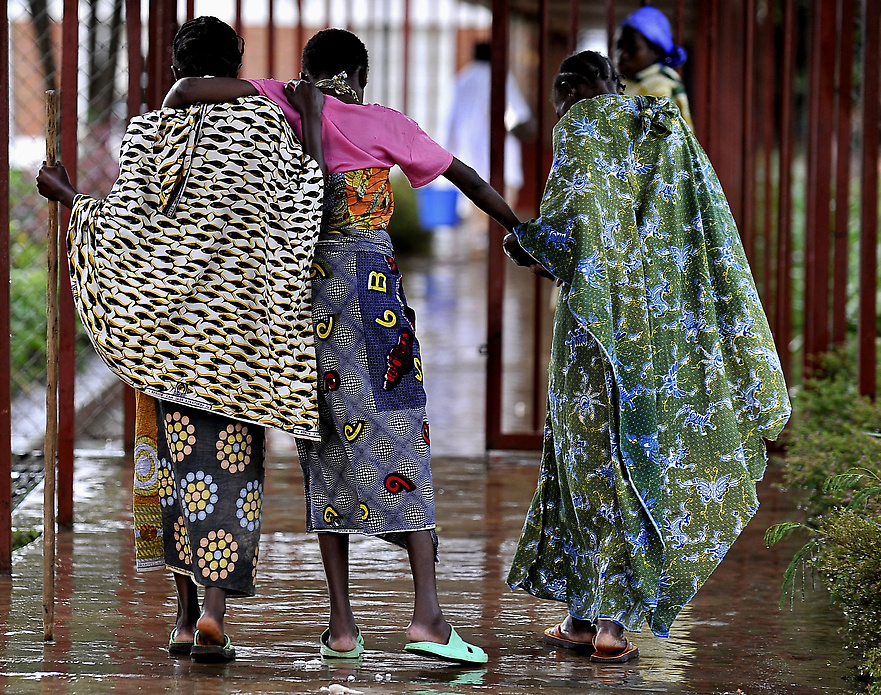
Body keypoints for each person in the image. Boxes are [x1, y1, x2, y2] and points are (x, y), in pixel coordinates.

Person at [163, 28, 521, 665]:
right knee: (403, 443)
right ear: (359, 75)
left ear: (305, 71)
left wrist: (291, 98)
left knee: (324, 454)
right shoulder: (383, 122)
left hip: (304, 312)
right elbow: (466, 177)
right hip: (377, 314)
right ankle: (427, 616)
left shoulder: (275, 102)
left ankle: (342, 625)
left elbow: (187, 90)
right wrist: (520, 231)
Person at [36, 16, 327, 662]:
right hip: (240, 346)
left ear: (175, 68)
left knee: (172, 472)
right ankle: (214, 612)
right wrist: (308, 120)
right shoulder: (267, 128)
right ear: (237, 63)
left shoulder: (153, 131)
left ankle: (183, 614)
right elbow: (307, 202)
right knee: (229, 470)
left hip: (165, 343)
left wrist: (68, 197)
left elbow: (126, 226)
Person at [502, 51, 790, 662]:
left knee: (588, 467)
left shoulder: (581, 129)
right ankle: (593, 621)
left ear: (570, 90)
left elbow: (573, 238)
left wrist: (522, 241)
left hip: (593, 336)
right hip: (658, 332)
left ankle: (600, 626)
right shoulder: (665, 129)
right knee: (637, 465)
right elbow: (698, 229)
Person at [443, 41, 532, 198]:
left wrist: (447, 149)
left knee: (476, 201)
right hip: (502, 152)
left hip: (468, 152)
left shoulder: (462, 80)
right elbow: (520, 114)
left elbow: (449, 120)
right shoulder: (502, 78)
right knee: (503, 204)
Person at [616, 5, 693, 127]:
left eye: (632, 49)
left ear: (656, 51)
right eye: (620, 47)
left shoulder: (660, 85)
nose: (623, 55)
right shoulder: (625, 82)